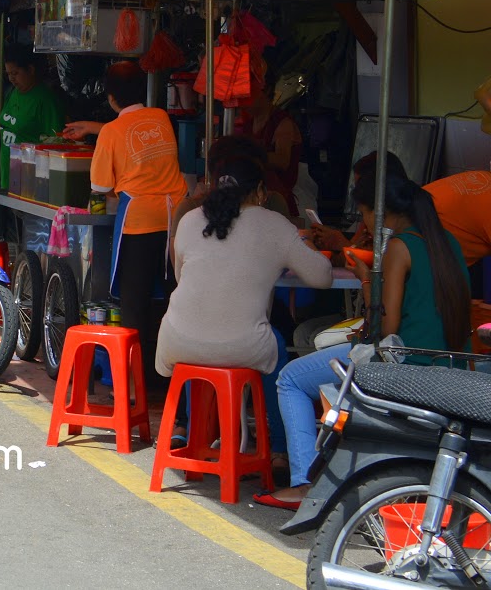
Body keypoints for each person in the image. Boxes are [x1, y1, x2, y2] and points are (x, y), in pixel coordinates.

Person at [257, 153, 472, 509]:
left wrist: (365, 282)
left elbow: (385, 330)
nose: (366, 224)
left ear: (381, 211)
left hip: (405, 363)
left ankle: (304, 484)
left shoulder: (399, 247)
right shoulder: (446, 242)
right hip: (449, 363)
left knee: (292, 378)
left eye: (366, 215)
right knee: (325, 372)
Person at [157, 155, 332, 459]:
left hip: (176, 339)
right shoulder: (274, 224)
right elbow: (323, 276)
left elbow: (179, 275)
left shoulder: (190, 220)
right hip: (239, 344)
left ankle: (195, 435)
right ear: (261, 191)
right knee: (274, 342)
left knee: (197, 335)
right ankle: (279, 449)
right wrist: (310, 244)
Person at [83, 61, 188, 382]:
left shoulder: (111, 133)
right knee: (175, 299)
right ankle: (174, 374)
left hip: (139, 222)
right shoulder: (161, 118)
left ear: (111, 96)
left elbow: (99, 192)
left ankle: (135, 380)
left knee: (135, 304)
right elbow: (133, 131)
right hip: (177, 219)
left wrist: (93, 217)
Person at [0, 46, 67, 192]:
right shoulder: (13, 92)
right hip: (7, 176)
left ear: (30, 69)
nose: (11, 79)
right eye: (8, 74)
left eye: (15, 73)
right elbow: (4, 125)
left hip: (30, 181)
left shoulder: (46, 100)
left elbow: (56, 141)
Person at [242, 86, 303, 217]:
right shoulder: (248, 123)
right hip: (252, 199)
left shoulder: (282, 122)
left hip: (276, 201)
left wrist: (246, 157)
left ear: (266, 90)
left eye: (248, 95)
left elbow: (282, 160)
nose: (244, 101)